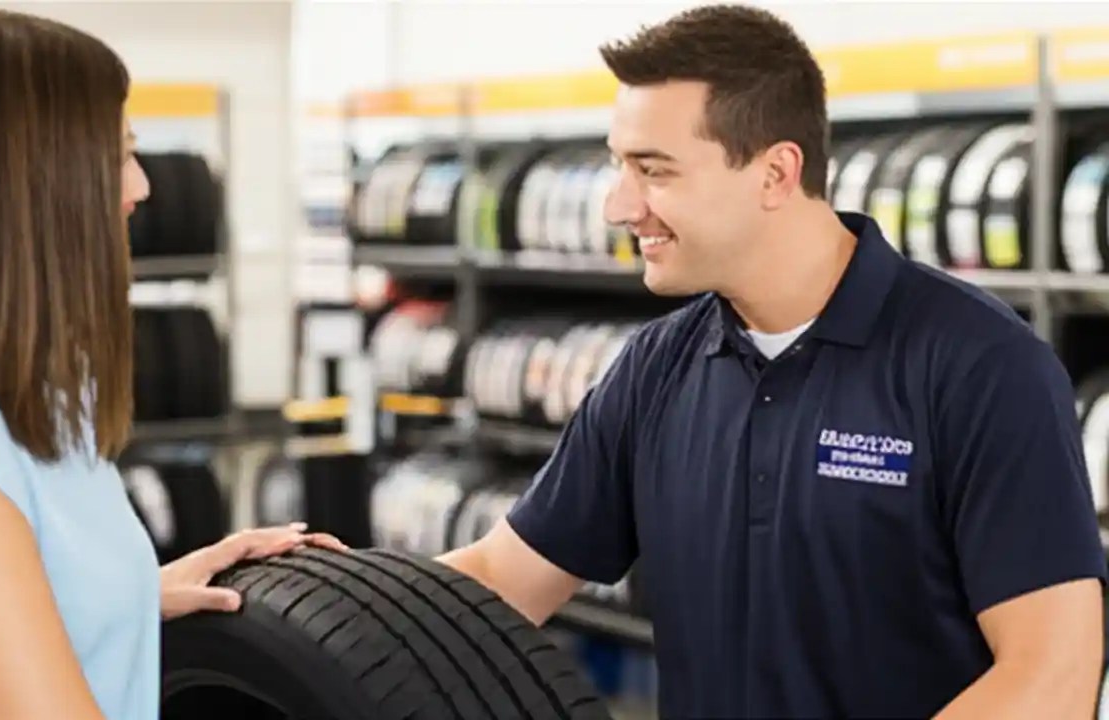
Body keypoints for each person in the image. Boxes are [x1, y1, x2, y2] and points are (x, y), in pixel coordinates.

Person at [439, 4, 1108, 718]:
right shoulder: (656, 368)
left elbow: (1051, 679)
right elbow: (500, 576)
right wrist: (326, 585)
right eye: (618, 166)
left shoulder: (980, 367)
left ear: (775, 173)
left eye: (653, 170)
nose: (617, 205)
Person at [0, 8, 342, 720]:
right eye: (118, 156)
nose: (142, 187)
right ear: (28, 184)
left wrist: (139, 594)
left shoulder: (29, 389)